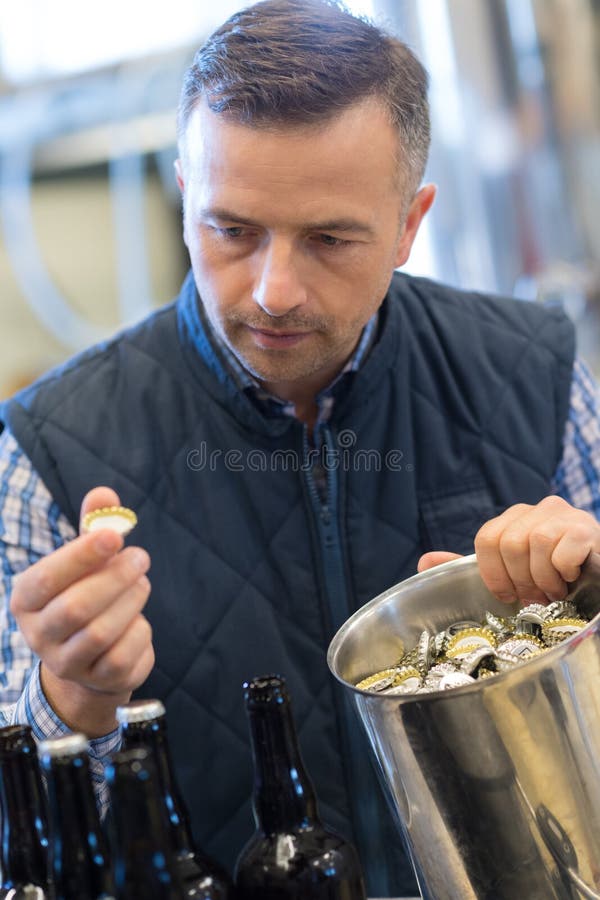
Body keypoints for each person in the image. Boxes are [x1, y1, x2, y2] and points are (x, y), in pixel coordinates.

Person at [1, 0, 599, 894]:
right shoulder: (46, 449)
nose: (275, 290)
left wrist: (589, 594)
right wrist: (69, 701)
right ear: (181, 199)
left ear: (409, 222)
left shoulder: (539, 378)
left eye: (328, 239)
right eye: (232, 230)